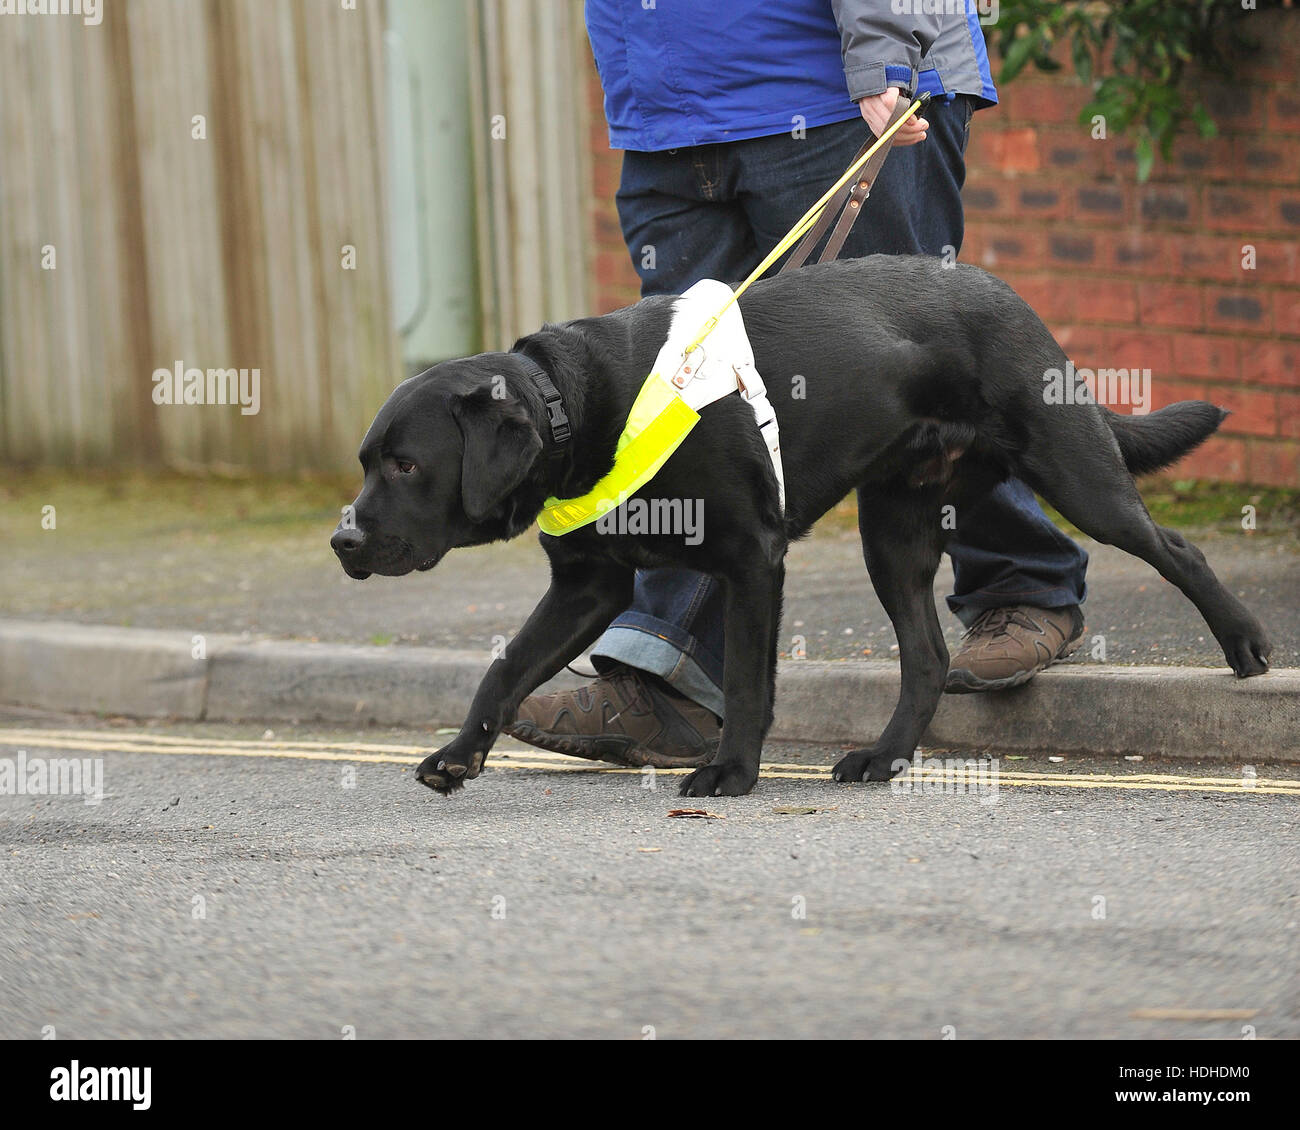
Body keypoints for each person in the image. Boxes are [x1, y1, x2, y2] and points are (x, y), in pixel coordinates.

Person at [507, 1, 1088, 769]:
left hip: (837, 93)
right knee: (688, 409)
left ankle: (1024, 582)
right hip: (670, 116)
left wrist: (885, 59)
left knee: (921, 384)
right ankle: (674, 675)